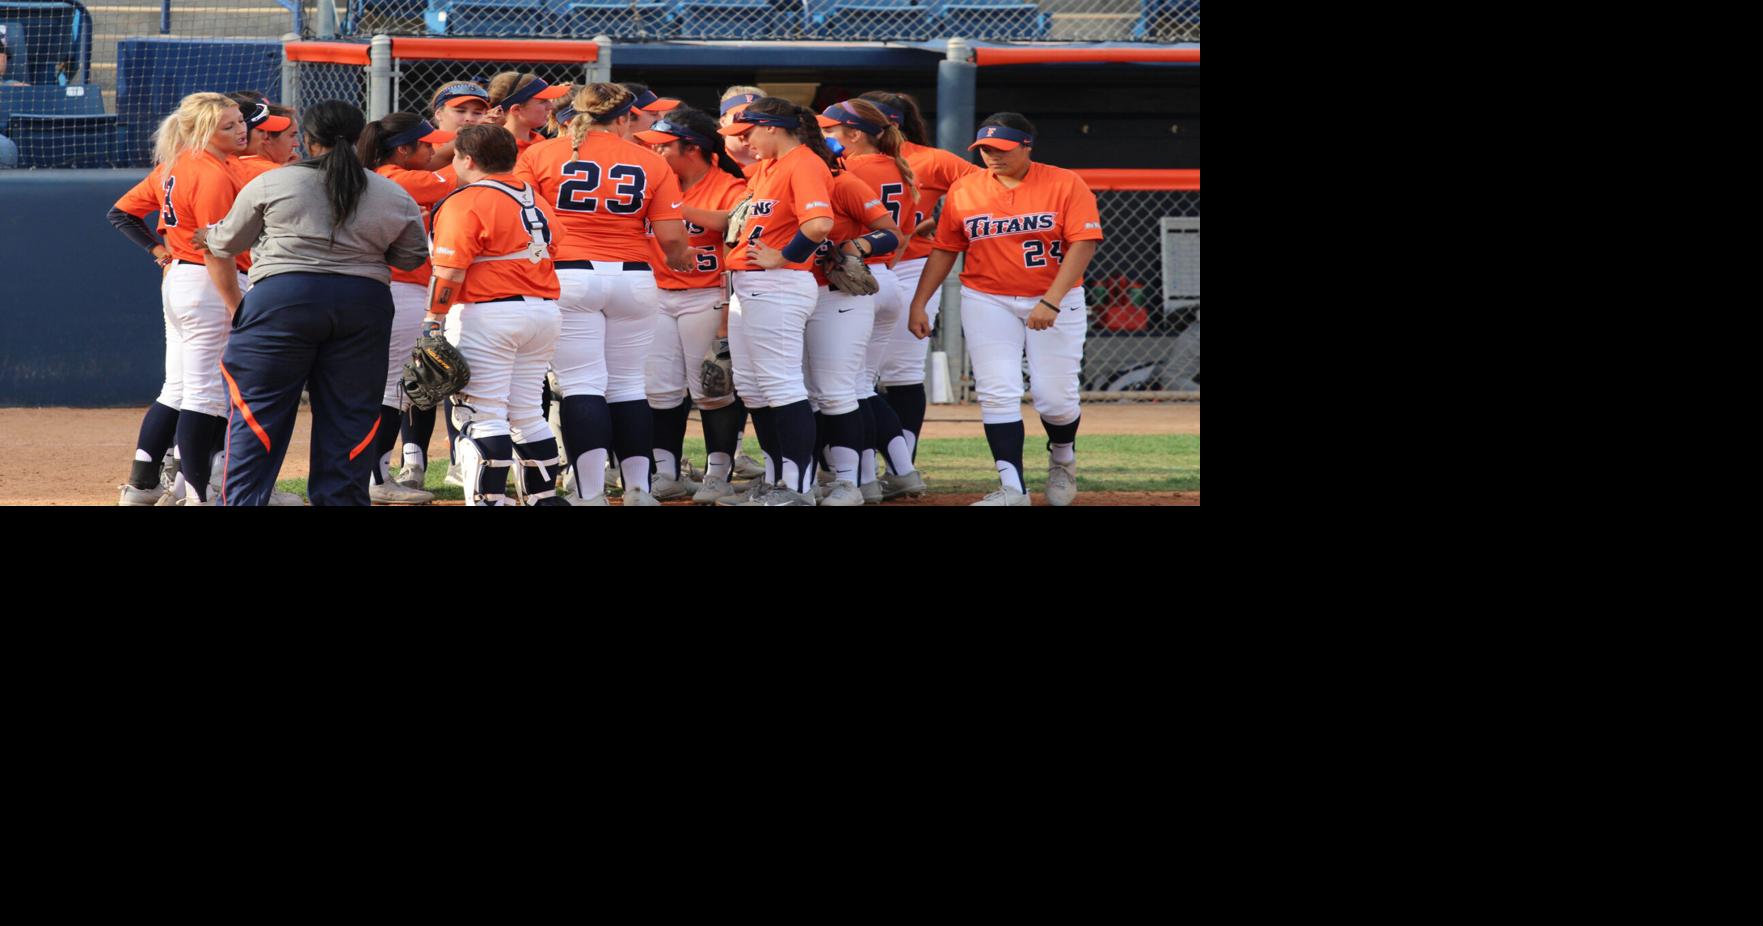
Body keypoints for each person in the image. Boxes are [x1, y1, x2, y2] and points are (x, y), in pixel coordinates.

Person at [199, 99, 429, 506]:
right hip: (363, 304)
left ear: (307, 139)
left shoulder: (274, 182)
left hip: (283, 299)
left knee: (258, 418)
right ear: (360, 138)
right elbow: (411, 257)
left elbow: (225, 242)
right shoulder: (393, 192)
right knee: (351, 419)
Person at [904, 113, 1103, 507]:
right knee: (997, 392)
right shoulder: (965, 188)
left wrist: (1051, 299)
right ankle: (1013, 488)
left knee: (1055, 399)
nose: (993, 156)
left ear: (1027, 147)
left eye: (1003, 149)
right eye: (985, 150)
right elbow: (946, 248)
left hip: (1053, 297)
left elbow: (1083, 244)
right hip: (986, 297)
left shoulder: (1064, 182)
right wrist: (918, 301)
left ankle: (1062, 457)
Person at [516, 82, 691, 507]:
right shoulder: (649, 160)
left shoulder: (540, 154)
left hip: (569, 275)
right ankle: (638, 490)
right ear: (625, 117)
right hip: (633, 277)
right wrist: (682, 260)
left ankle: (591, 493)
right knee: (630, 386)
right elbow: (671, 238)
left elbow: (522, 219)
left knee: (581, 386)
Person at [107, 92, 246, 506]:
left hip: (182, 280)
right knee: (205, 395)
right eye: (229, 125)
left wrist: (160, 252)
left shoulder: (177, 164)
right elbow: (216, 250)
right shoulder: (212, 174)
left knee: (180, 388)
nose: (241, 130)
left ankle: (142, 486)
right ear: (204, 131)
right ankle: (198, 495)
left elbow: (121, 213)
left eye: (240, 121)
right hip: (207, 282)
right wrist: (237, 305)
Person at [425, 123, 565, 506]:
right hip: (543, 312)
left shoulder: (466, 199)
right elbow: (557, 243)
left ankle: (488, 500)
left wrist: (432, 321)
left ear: (468, 159)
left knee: (479, 414)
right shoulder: (532, 197)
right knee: (526, 412)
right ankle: (543, 497)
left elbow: (449, 272)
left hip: (490, 314)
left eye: (455, 156)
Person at [713, 96, 839, 506]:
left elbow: (819, 223)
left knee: (781, 385)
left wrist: (786, 256)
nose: (744, 142)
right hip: (751, 284)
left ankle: (798, 488)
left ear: (771, 127)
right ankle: (775, 478)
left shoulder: (804, 163)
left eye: (748, 133)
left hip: (779, 282)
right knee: (753, 388)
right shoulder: (768, 167)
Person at [860, 90, 980, 493]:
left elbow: (984, 189)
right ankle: (853, 465)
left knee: (901, 373)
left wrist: (940, 224)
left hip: (911, 267)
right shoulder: (845, 158)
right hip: (854, 269)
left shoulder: (931, 158)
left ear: (888, 124)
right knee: (854, 376)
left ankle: (899, 468)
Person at [632, 107, 750, 504]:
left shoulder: (729, 185)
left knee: (713, 391)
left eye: (664, 145)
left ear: (693, 148)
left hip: (707, 295)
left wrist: (674, 209)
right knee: (660, 391)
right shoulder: (656, 180)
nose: (657, 152)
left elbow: (733, 221)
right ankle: (665, 472)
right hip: (658, 295)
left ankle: (719, 475)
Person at [817, 98, 920, 503]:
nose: (825, 136)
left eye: (831, 129)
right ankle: (900, 470)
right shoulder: (901, 165)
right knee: (861, 387)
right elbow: (901, 232)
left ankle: (864, 479)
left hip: (853, 278)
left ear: (853, 134)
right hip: (886, 276)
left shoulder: (850, 169)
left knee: (847, 390)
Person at [357, 111, 458, 504]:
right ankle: (376, 480)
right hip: (397, 289)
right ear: (402, 149)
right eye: (426, 144)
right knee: (391, 390)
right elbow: (459, 172)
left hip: (392, 288)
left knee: (390, 388)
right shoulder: (397, 177)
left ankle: (375, 476)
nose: (434, 150)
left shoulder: (385, 174)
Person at [396, 80, 492, 489]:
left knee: (457, 374)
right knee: (420, 372)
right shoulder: (417, 163)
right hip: (420, 279)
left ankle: (458, 458)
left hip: (468, 282)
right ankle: (412, 459)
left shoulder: (494, 157)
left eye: (477, 111)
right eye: (460, 111)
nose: (470, 118)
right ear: (438, 116)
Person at [485, 71, 567, 153]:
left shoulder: (539, 141)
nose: (550, 106)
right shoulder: (495, 149)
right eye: (543, 101)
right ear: (516, 109)